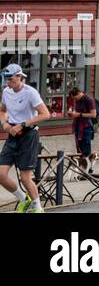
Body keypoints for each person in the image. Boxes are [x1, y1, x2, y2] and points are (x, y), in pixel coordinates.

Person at [0, 63, 51, 213]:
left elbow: (45, 114)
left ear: (20, 76)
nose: (7, 81)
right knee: (1, 175)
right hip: (12, 135)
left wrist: (23, 124)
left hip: (29, 135)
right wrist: (4, 124)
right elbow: (2, 111)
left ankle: (38, 208)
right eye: (5, 78)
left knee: (25, 177)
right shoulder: (6, 92)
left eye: (10, 78)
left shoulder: (30, 92)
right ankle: (24, 199)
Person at [69, 85, 98, 171]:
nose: (74, 100)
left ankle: (89, 170)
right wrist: (72, 113)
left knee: (86, 150)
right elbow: (77, 111)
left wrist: (79, 114)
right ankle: (82, 169)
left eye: (74, 98)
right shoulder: (77, 100)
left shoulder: (88, 100)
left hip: (86, 127)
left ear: (78, 94)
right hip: (78, 126)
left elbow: (93, 115)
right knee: (79, 149)